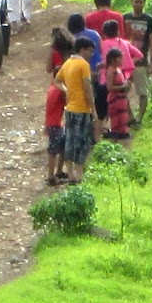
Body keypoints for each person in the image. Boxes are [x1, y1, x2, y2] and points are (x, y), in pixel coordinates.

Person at [55, 37, 97, 182]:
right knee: (82, 141)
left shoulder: (67, 63)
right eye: (90, 51)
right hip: (82, 109)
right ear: (82, 49)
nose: (91, 54)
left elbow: (57, 80)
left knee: (70, 140)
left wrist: (67, 91)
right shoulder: (84, 65)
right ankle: (78, 173)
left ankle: (70, 173)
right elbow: (87, 88)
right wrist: (94, 110)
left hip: (70, 108)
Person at [122, 0, 152, 123]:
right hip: (125, 62)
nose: (138, 4)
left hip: (141, 62)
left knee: (143, 92)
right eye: (136, 1)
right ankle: (130, 117)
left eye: (141, 2)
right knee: (122, 91)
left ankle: (139, 118)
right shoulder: (124, 18)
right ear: (131, 2)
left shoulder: (149, 20)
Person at [66, 12, 105, 132]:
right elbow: (101, 49)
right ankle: (98, 124)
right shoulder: (94, 34)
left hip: (83, 72)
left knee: (87, 97)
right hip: (98, 69)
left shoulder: (73, 39)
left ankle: (89, 126)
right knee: (98, 98)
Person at [44, 57, 68, 186]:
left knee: (61, 148)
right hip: (55, 124)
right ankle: (51, 176)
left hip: (53, 123)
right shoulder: (59, 90)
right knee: (53, 150)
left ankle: (58, 172)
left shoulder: (52, 89)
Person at [103, 50, 132, 140]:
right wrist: (123, 86)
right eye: (119, 59)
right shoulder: (111, 71)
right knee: (116, 123)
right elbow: (110, 87)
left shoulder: (118, 70)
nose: (121, 61)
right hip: (115, 100)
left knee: (123, 122)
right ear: (113, 60)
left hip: (122, 99)